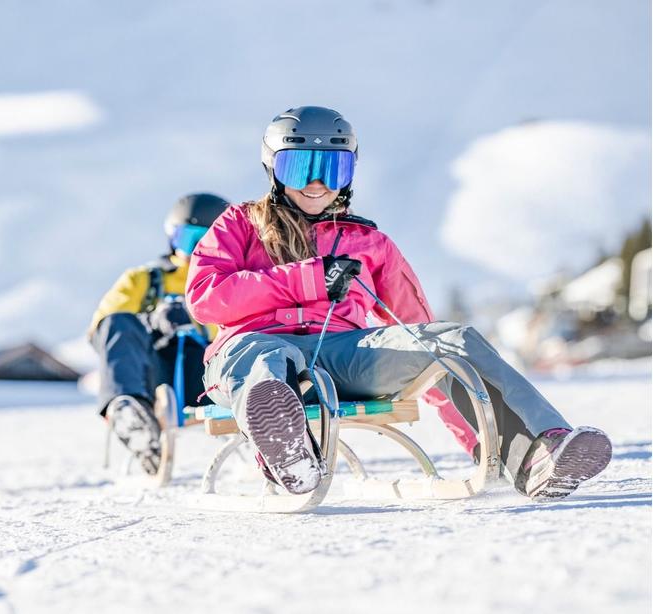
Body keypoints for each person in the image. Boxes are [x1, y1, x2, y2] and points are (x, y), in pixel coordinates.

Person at [184, 106, 612, 499]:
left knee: (450, 341)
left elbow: (416, 331)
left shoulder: (369, 242)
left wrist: (472, 442)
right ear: (274, 170)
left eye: (332, 170)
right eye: (300, 168)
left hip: (340, 357)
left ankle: (538, 452)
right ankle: (286, 450)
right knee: (266, 358)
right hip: (250, 347)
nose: (317, 184)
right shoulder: (240, 224)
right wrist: (308, 278)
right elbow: (205, 298)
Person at [89, 193, 229, 474]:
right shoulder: (143, 280)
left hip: (210, 375)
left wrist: (198, 323)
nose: (192, 251)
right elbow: (104, 329)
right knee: (119, 322)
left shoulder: (230, 282)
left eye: (203, 242)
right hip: (155, 374)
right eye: (185, 239)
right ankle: (131, 412)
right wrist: (152, 320)